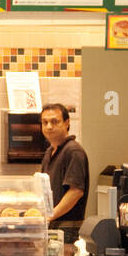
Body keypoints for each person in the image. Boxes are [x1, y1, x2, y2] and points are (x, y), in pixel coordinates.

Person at [40, 103, 90, 244]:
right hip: (53, 225)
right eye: (45, 122)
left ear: (67, 123)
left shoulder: (73, 151)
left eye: (55, 122)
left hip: (67, 228)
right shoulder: (50, 152)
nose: (49, 126)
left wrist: (49, 216)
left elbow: (76, 191)